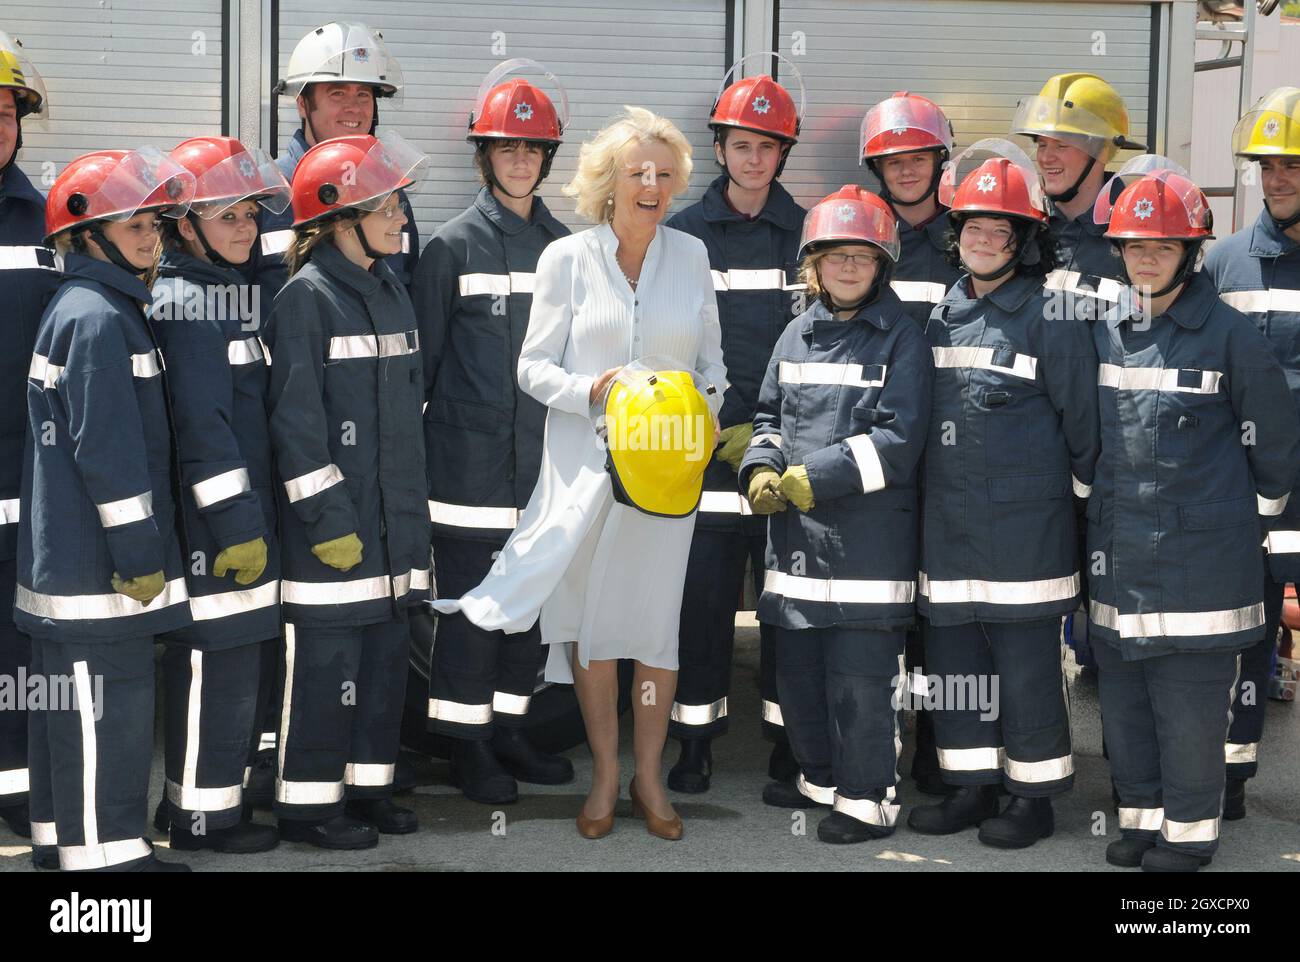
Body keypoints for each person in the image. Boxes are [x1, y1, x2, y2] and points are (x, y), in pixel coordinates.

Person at [432, 107, 727, 840]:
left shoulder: (691, 257)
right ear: (609, 184)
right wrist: (591, 389)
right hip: (584, 478)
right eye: (638, 173)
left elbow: (713, 367)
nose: (652, 185)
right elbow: (532, 369)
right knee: (594, 634)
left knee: (656, 632)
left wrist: (701, 413)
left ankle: (650, 780)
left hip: (665, 483)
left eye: (664, 174)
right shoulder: (565, 259)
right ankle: (603, 779)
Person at [1089, 168, 1300, 872]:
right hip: (1122, 559)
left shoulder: (1231, 337)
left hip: (1201, 567)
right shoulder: (1110, 332)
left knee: (1188, 711)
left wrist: (1247, 521)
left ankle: (1190, 833)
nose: (1145, 258)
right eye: (1134, 246)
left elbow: (1274, 444)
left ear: (1192, 252)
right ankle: (1142, 818)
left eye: (1163, 246)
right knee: (1124, 701)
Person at [907, 141, 1099, 849]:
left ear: (1022, 242)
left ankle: (1032, 796)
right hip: (948, 528)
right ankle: (971, 785)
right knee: (957, 667)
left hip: (1027, 532)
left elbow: (1084, 426)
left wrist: (1077, 509)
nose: (985, 240)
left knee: (1025, 671)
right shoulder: (943, 311)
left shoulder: (1053, 312)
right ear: (955, 237)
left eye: (1001, 230)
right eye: (974, 228)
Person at [19, 147, 197, 871]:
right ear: (85, 235)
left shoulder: (88, 306)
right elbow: (111, 456)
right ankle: (105, 866)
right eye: (133, 224)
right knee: (107, 711)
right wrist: (140, 558)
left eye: (153, 221)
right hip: (99, 574)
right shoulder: (99, 319)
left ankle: (61, 843)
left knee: (68, 713)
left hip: (71, 564)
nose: (151, 234)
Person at [738, 186, 931, 842]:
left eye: (862, 256)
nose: (848, 268)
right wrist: (760, 469)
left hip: (866, 551)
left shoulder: (902, 339)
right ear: (812, 265)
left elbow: (897, 443)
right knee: (798, 676)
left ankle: (865, 800)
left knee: (860, 684)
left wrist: (808, 479)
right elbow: (767, 416)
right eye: (834, 256)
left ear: (883, 265)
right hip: (794, 550)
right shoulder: (797, 332)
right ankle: (818, 778)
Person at [263, 131, 431, 849]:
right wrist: (329, 518)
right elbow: (297, 429)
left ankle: (367, 789)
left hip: (391, 532)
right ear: (338, 217)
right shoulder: (307, 299)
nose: (401, 218)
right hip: (334, 536)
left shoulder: (390, 288)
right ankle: (307, 808)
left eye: (399, 204)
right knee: (327, 675)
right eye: (386, 206)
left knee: (383, 670)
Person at [414, 60, 573, 804]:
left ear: (547, 159)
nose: (519, 160)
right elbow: (422, 370)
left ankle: (510, 732)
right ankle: (465, 746)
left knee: (530, 614)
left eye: (532, 150)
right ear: (484, 155)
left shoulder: (568, 250)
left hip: (543, 473)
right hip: (468, 476)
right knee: (474, 615)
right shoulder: (450, 247)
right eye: (507, 148)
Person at [663, 54, 806, 793]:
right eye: (741, 144)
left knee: (784, 608)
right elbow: (664, 341)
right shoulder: (683, 235)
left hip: (783, 456)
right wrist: (715, 423)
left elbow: (819, 344)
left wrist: (773, 428)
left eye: (768, 146)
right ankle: (695, 744)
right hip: (706, 455)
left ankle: (787, 747)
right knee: (703, 608)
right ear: (719, 149)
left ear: (784, 154)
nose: (755, 158)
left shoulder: (811, 237)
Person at [145, 135, 290, 856]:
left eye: (251, 215)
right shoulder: (187, 302)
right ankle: (198, 822)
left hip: (240, 518)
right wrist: (235, 525)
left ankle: (217, 803)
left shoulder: (219, 294)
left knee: (236, 665)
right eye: (228, 216)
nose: (247, 229)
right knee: (211, 665)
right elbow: (203, 430)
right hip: (214, 530)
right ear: (183, 223)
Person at [860, 89, 962, 796]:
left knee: (934, 615)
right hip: (875, 451)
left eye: (917, 156)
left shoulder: (970, 238)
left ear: (938, 160)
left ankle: (931, 746)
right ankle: (855, 745)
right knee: (874, 607)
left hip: (950, 458)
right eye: (891, 160)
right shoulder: (859, 236)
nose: (905, 170)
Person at [1203, 87, 1300, 820]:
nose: (1278, 179)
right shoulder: (1226, 263)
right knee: (1249, 633)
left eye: (1293, 165)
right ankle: (1231, 778)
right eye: (1269, 165)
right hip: (1258, 495)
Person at [0, 31, 60, 849]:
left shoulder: (47, 214)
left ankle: (13, 782)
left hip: (22, 477)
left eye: (7, 110)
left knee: (16, 647)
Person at [249, 21, 416, 301]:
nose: (353, 107)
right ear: (303, 104)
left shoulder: (390, 194)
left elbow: (405, 292)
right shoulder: (267, 192)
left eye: (363, 94)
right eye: (337, 92)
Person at [1012, 73, 1145, 306]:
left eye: (1061, 145)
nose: (1045, 157)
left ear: (1102, 151)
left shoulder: (1136, 234)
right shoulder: (1022, 227)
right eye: (1042, 144)